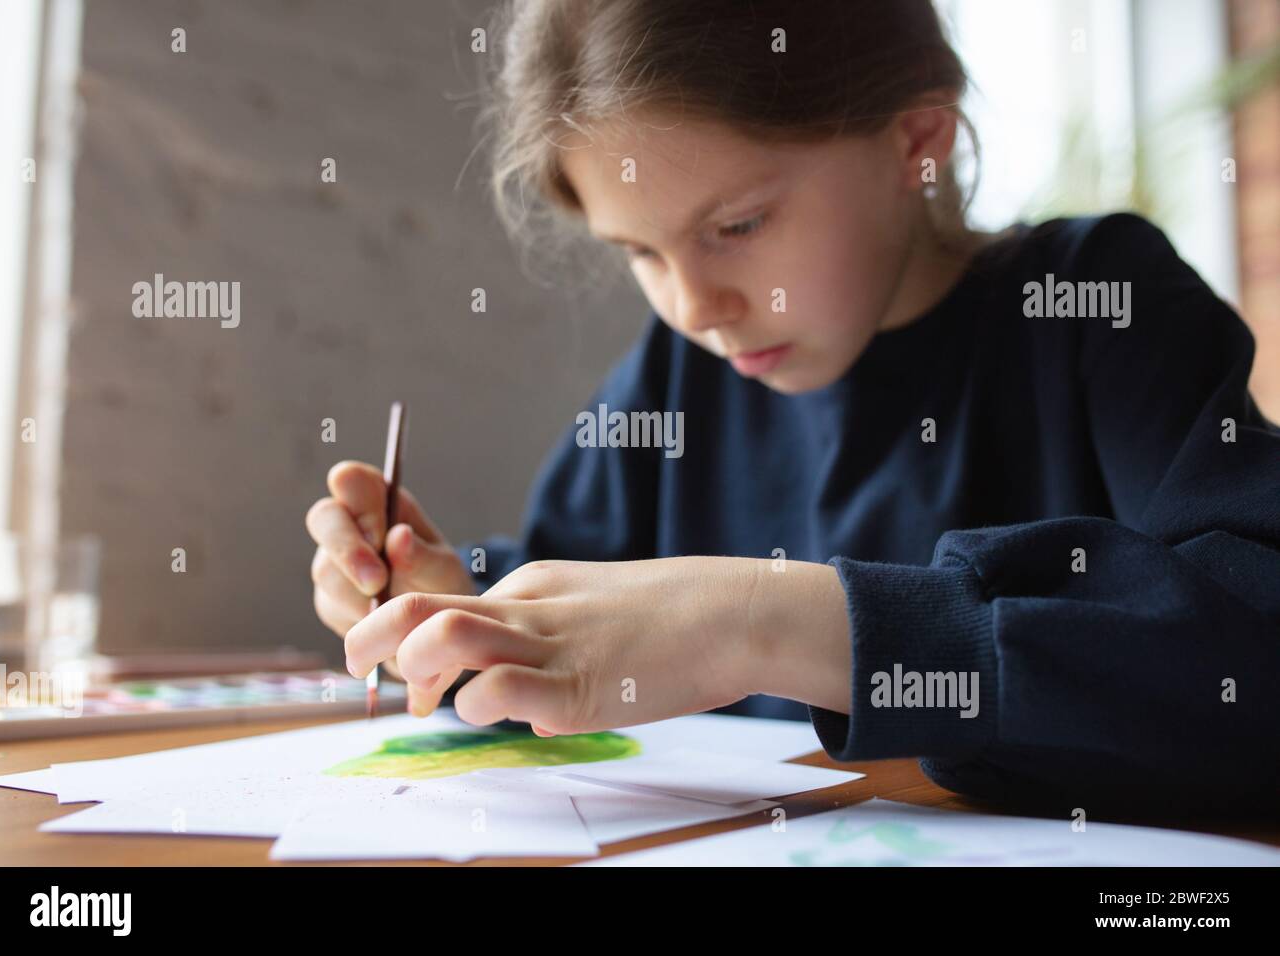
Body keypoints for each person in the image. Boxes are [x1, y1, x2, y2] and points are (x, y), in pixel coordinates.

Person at [306, 0, 1279, 816]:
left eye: (735, 225)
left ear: (917, 145)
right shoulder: (676, 379)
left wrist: (764, 622)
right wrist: (452, 613)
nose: (694, 309)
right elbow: (577, 610)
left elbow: (1252, 648)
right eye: (640, 253)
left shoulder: (1094, 306)